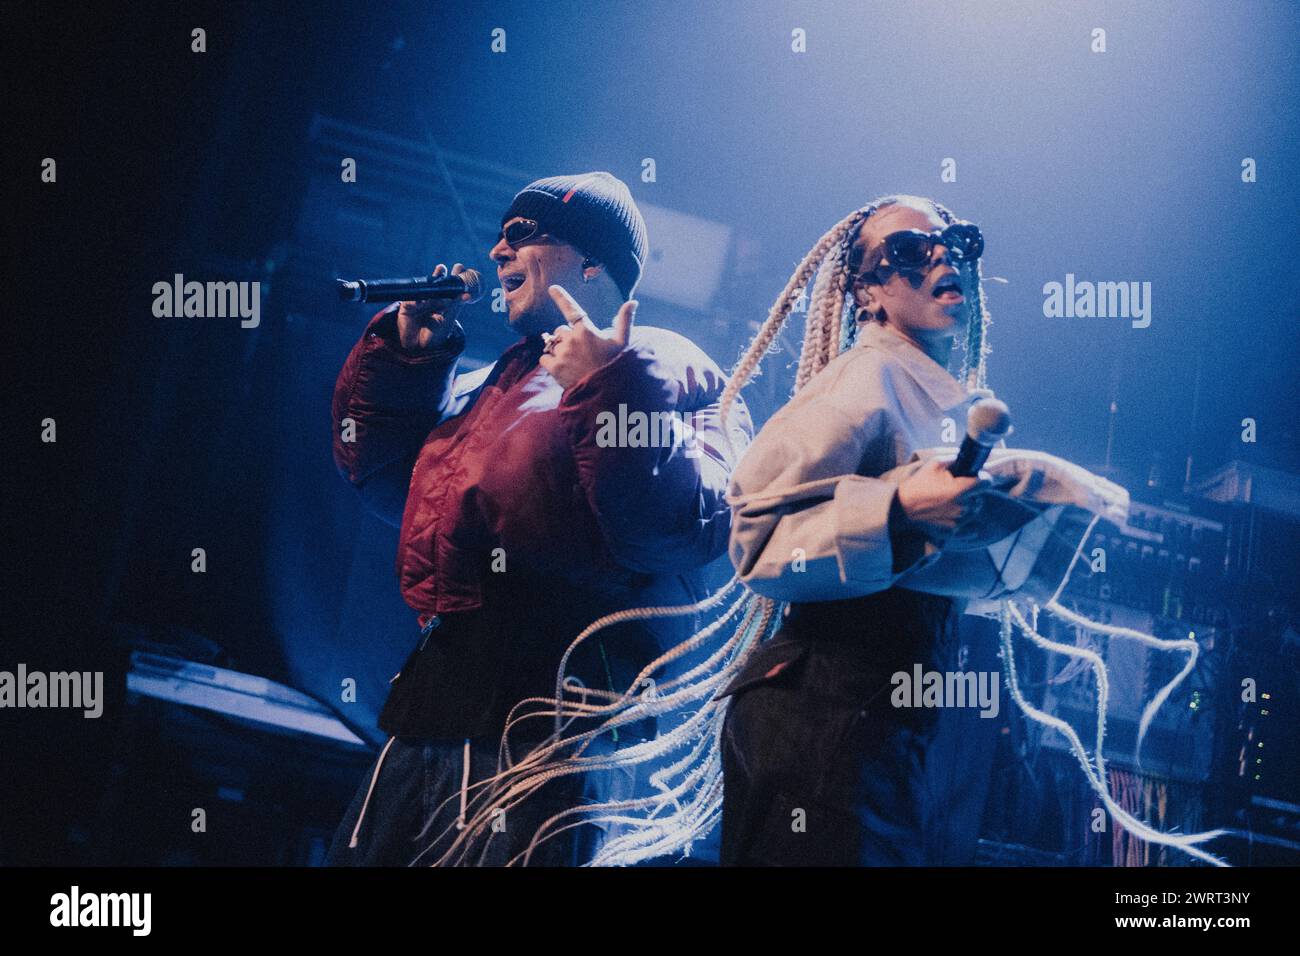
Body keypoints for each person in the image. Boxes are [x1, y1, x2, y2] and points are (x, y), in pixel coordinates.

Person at [324, 171, 752, 866]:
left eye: (522, 236)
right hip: (436, 708)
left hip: (552, 726)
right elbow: (385, 488)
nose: (496, 251)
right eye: (499, 235)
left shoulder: (675, 368)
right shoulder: (491, 379)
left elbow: (677, 529)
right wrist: (410, 362)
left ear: (591, 260)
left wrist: (606, 384)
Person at [718, 194, 1015, 865]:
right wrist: (899, 511)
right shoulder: (866, 375)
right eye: (909, 250)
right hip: (823, 710)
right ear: (867, 295)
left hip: (875, 719)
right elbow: (755, 535)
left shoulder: (936, 397)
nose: (943, 255)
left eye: (957, 241)